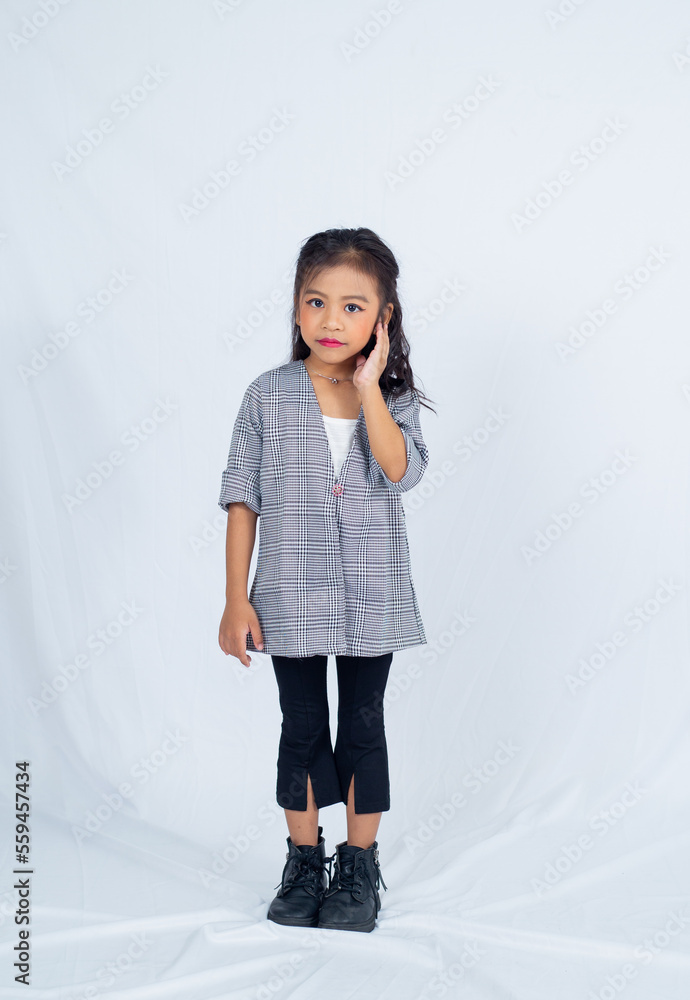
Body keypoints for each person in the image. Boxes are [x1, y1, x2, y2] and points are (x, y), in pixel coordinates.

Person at [217, 227, 435, 933]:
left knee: (364, 724)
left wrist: (370, 389)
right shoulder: (267, 396)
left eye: (352, 307)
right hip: (289, 595)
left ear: (383, 317)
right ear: (296, 306)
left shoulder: (395, 399)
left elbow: (399, 470)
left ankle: (359, 868)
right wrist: (235, 598)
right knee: (302, 725)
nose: (331, 320)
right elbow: (243, 498)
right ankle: (304, 862)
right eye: (316, 302)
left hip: (374, 595)